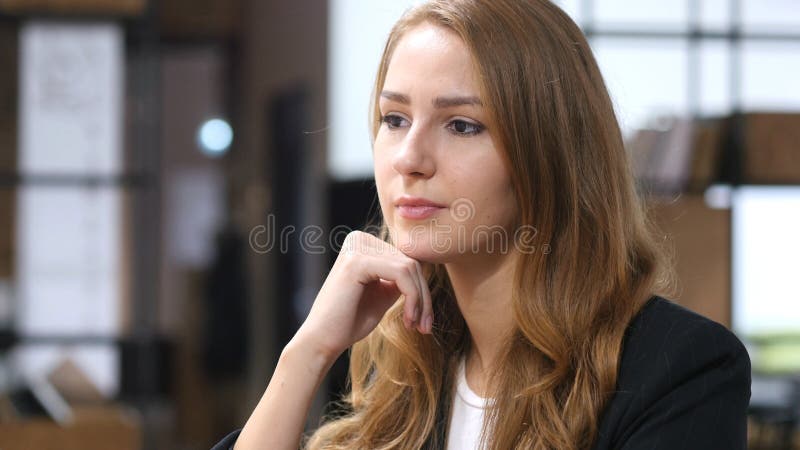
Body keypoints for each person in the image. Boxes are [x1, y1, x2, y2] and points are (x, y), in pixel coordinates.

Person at [214, 1, 751, 449]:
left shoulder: (679, 369)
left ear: (549, 155)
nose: (409, 158)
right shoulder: (405, 367)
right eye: (394, 119)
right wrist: (306, 352)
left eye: (462, 125)